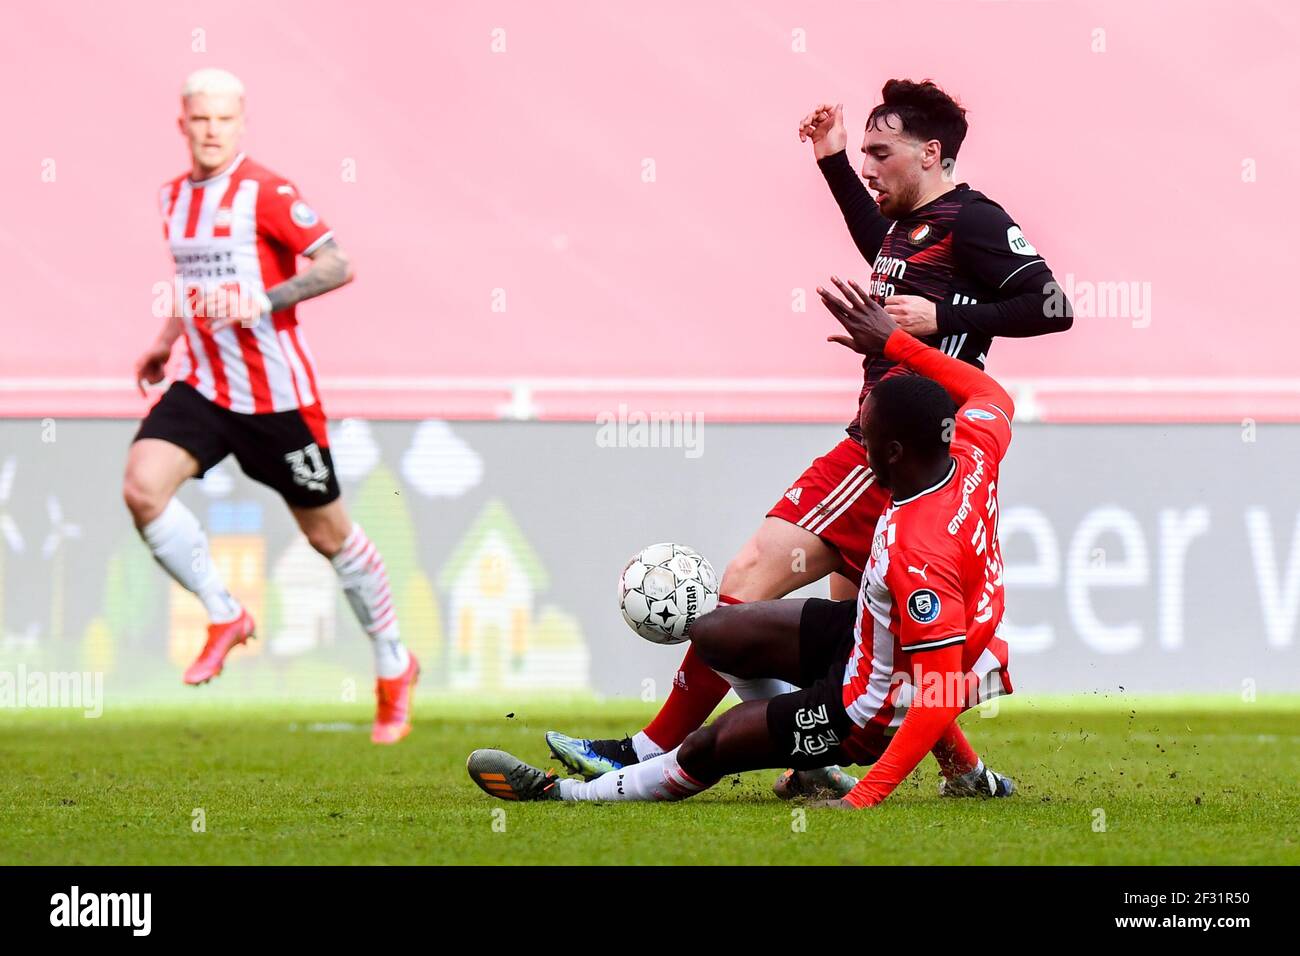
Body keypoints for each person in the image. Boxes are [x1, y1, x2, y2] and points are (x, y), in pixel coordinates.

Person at [546, 79, 1069, 797]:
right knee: (862, 644)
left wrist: (943, 313)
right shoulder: (911, 226)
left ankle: (643, 748)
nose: (868, 165)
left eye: (878, 152)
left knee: (742, 583)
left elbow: (1051, 304)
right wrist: (828, 162)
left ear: (931, 152)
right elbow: (881, 250)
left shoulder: (973, 219)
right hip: (903, 457)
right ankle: (954, 772)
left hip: (886, 450)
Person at [468, 277, 1017, 806]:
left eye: (865, 436)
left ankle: (562, 793)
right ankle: (848, 767)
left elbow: (936, 688)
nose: (858, 444)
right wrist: (894, 343)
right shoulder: (975, 442)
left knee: (714, 744)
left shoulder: (918, 549)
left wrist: (866, 799)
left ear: (894, 451)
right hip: (867, 641)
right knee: (716, 631)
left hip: (865, 708)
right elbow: (988, 390)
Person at [123, 68, 418, 744]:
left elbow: (337, 264)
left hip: (276, 397)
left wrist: (264, 299)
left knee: (328, 537)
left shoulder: (266, 190)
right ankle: (225, 615)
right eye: (200, 119)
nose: (211, 130)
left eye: (224, 120)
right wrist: (164, 342)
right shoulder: (173, 198)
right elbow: (191, 283)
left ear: (241, 123)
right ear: (182, 123)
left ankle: (393, 662)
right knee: (142, 490)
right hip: (202, 383)